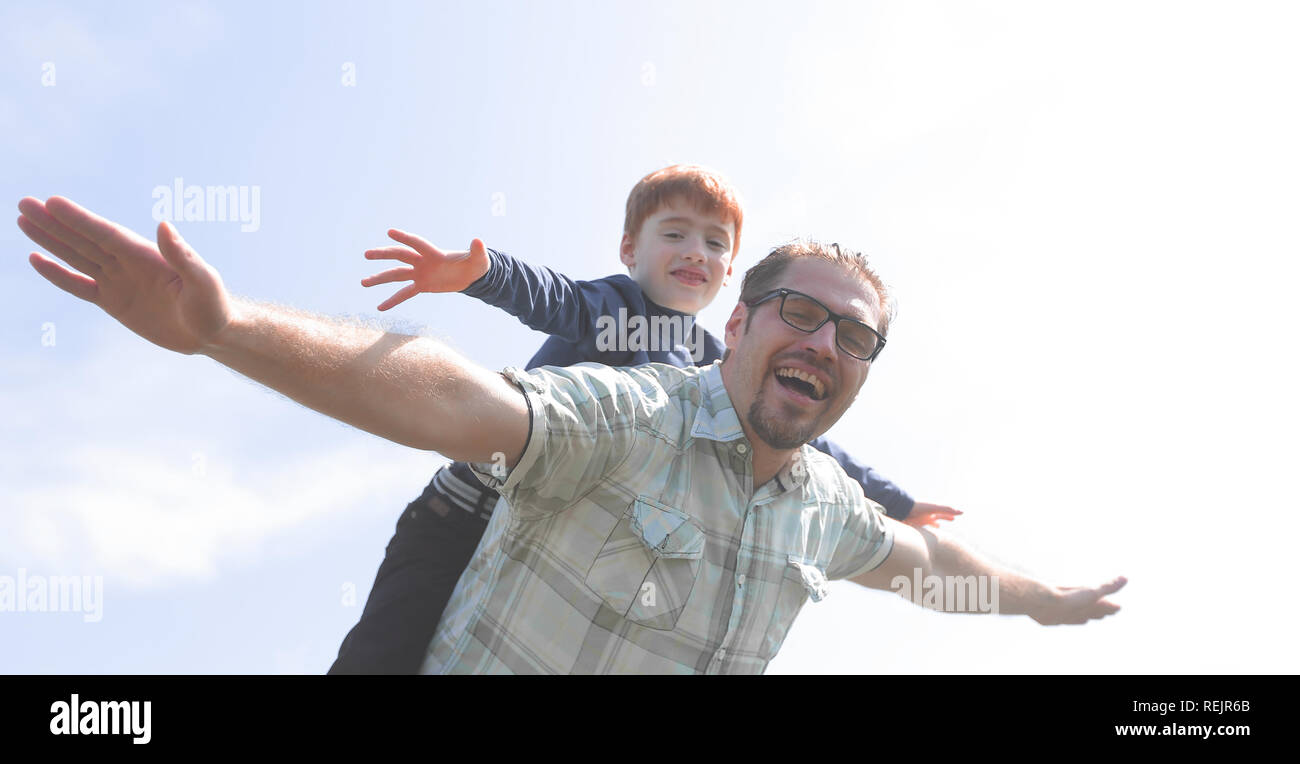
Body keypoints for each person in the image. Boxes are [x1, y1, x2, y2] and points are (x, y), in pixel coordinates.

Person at [16, 195, 1126, 675]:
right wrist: (226, 326)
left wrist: (1049, 600)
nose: (825, 342)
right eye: (799, 311)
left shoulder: (826, 505)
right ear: (732, 324)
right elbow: (456, 399)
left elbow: (938, 566)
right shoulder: (638, 402)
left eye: (855, 336)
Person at [332, 165, 959, 673]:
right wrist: (483, 273)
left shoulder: (714, 361)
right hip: (467, 512)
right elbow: (556, 298)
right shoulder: (614, 306)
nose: (696, 251)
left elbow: (817, 447)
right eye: (676, 234)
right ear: (631, 248)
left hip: (546, 535)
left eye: (715, 243)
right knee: (386, 651)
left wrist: (898, 503)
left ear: (730, 276)